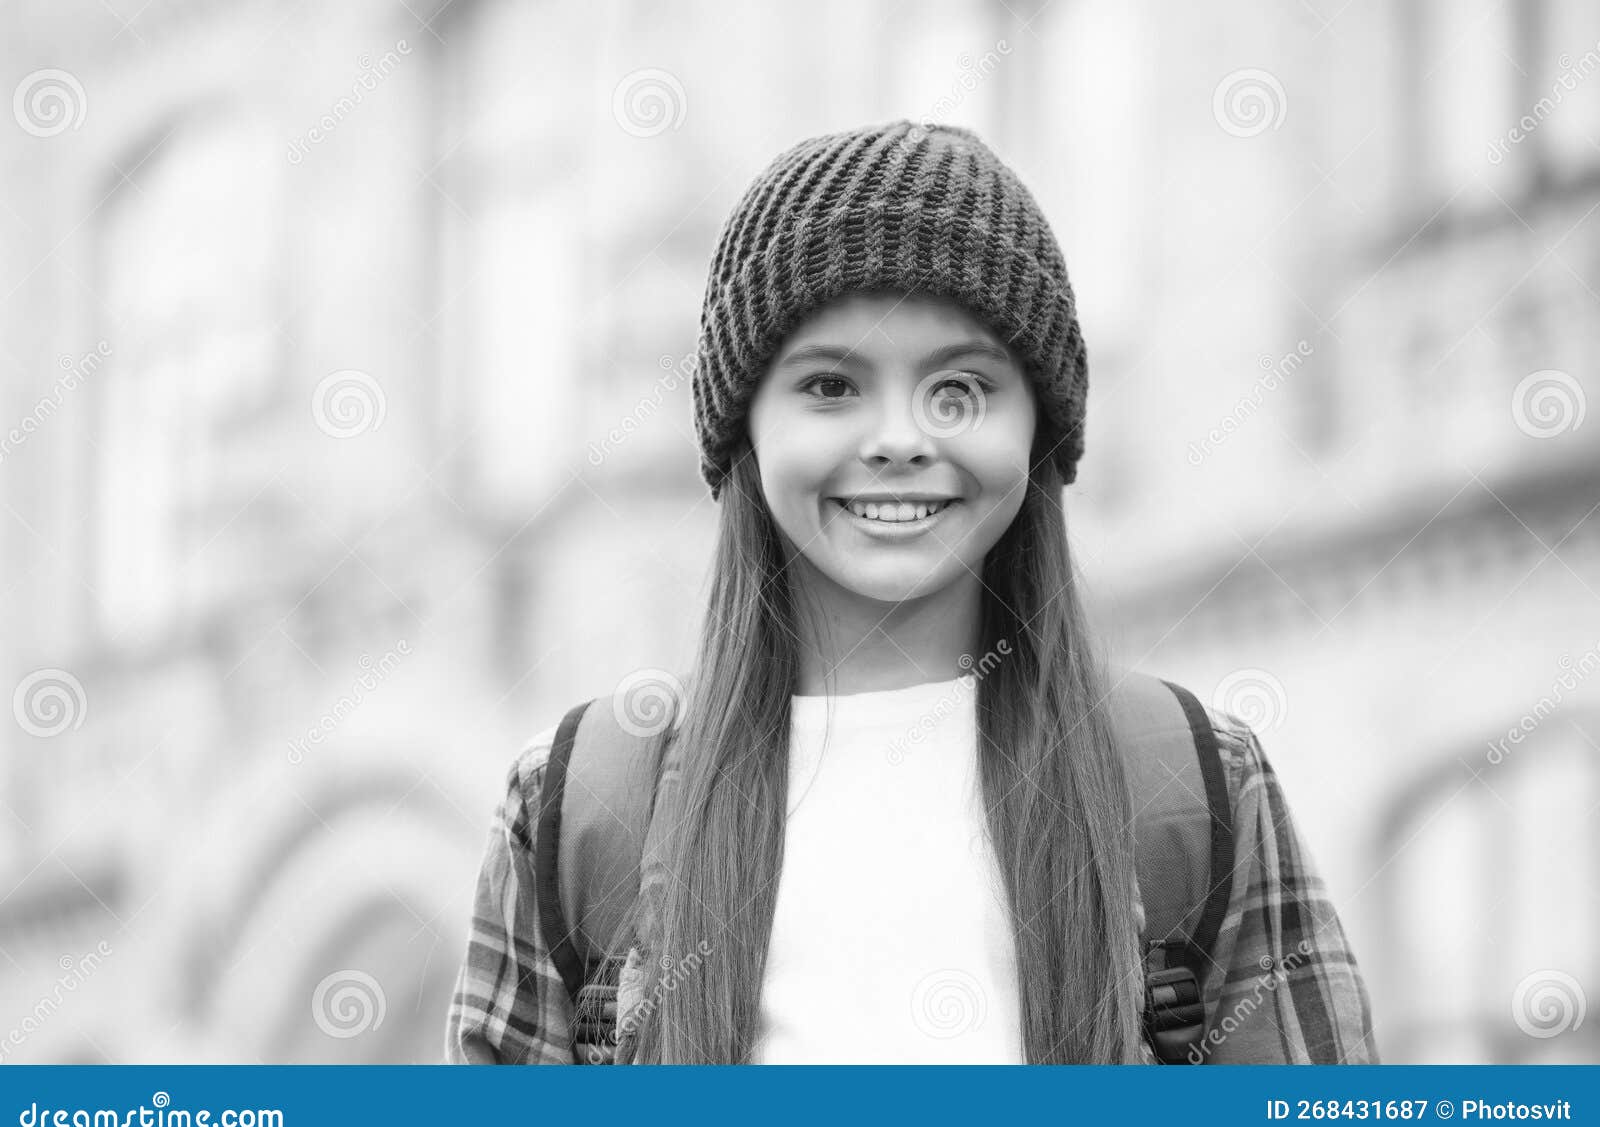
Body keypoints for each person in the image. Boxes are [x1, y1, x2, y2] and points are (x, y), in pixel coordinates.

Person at [444, 120, 1378, 1065]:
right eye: (830, 385)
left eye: (961, 388)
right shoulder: (576, 806)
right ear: (744, 430)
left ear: (1038, 427)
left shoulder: (1195, 781)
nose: (900, 437)